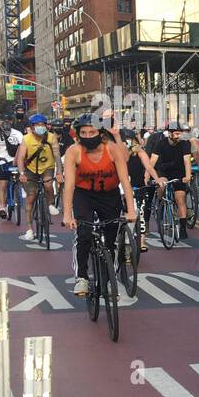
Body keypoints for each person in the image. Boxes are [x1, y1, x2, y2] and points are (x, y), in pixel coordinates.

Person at [61, 114, 137, 296]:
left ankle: (110, 279)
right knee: (83, 234)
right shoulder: (74, 151)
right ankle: (82, 278)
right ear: (78, 134)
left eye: (92, 132)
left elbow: (125, 182)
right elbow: (69, 185)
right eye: (83, 133)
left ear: (101, 133)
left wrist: (131, 211)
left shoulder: (112, 149)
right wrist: (67, 215)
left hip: (109, 196)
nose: (87, 136)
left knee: (111, 241)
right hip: (84, 195)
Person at [15, 114, 61, 239]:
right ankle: (29, 229)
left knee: (48, 185)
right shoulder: (26, 139)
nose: (40, 127)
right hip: (30, 170)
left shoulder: (51, 137)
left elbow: (57, 156)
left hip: (47, 168)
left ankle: (50, 204)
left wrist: (59, 173)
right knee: (31, 196)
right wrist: (21, 173)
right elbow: (20, 158)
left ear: (46, 126)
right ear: (32, 127)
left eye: (42, 125)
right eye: (37, 125)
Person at [146, 122, 193, 237]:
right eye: (176, 133)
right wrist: (146, 176)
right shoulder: (160, 144)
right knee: (161, 185)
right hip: (164, 171)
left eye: (180, 133)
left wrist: (187, 176)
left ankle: (182, 228)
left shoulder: (185, 144)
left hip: (179, 173)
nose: (179, 136)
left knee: (180, 198)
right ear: (170, 133)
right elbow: (152, 161)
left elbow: (187, 161)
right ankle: (161, 204)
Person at [119, 128, 156, 252]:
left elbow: (149, 166)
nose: (126, 142)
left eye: (129, 140)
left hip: (138, 187)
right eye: (124, 140)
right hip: (121, 189)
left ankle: (141, 242)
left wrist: (157, 178)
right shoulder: (116, 152)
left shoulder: (140, 152)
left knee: (141, 214)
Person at [0, 116, 24, 219]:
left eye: (8, 120)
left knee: (19, 178)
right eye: (2, 121)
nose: (5, 122)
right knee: (2, 183)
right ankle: (2, 207)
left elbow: (23, 146)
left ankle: (17, 194)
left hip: (15, 161)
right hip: (0, 161)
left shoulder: (17, 133)